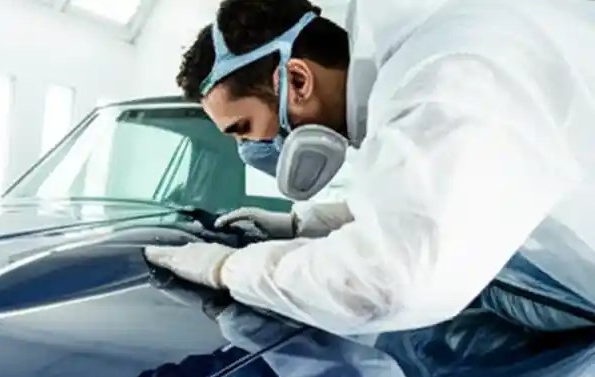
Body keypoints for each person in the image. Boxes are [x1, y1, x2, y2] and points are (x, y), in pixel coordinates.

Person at [144, 0, 595, 337]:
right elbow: (425, 197)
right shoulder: (405, 75)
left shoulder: (447, 75)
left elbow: (386, 281)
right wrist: (305, 224)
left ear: (297, 81)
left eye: (244, 129)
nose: (250, 150)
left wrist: (228, 269)